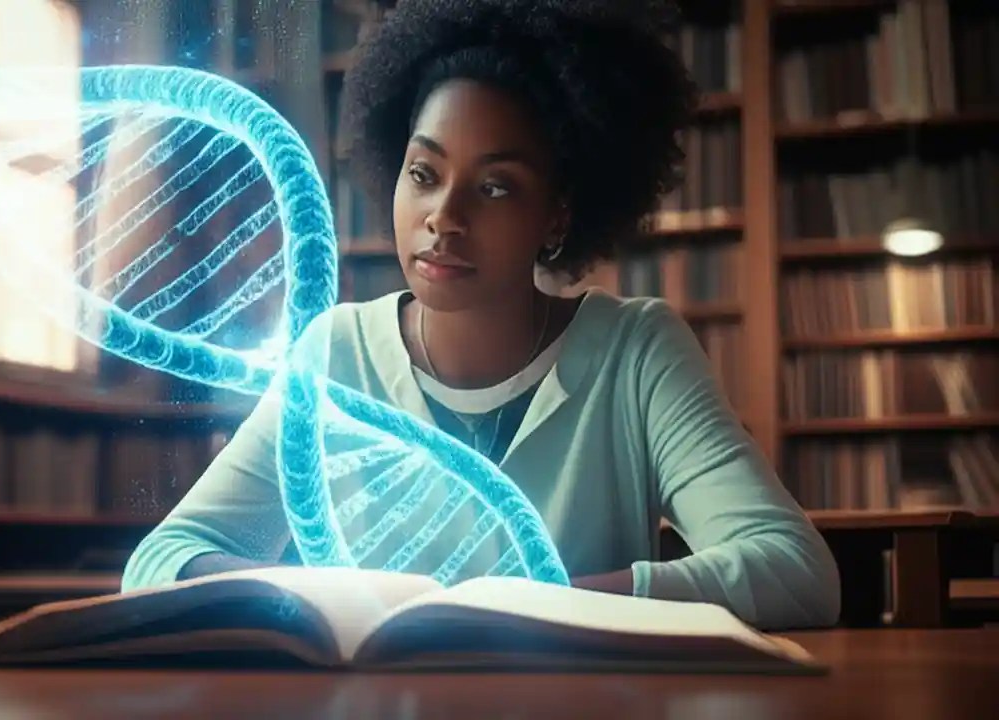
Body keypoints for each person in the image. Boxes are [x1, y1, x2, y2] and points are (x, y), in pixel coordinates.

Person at [122, 0, 841, 630]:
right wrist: (310, 598)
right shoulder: (333, 355)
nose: (444, 218)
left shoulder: (636, 353)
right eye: (424, 174)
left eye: (495, 187)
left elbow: (796, 572)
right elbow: (158, 561)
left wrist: (546, 606)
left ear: (556, 216)